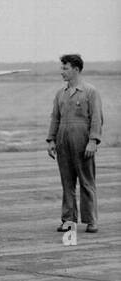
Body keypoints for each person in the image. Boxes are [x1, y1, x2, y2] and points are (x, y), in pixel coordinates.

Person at [47, 54, 103, 232]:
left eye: (65, 68)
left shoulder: (90, 91)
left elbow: (96, 118)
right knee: (67, 183)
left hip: (83, 141)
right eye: (61, 68)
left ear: (76, 70)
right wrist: (51, 140)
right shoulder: (60, 94)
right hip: (63, 141)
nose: (61, 72)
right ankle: (68, 220)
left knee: (87, 182)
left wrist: (93, 141)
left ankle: (91, 220)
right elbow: (55, 118)